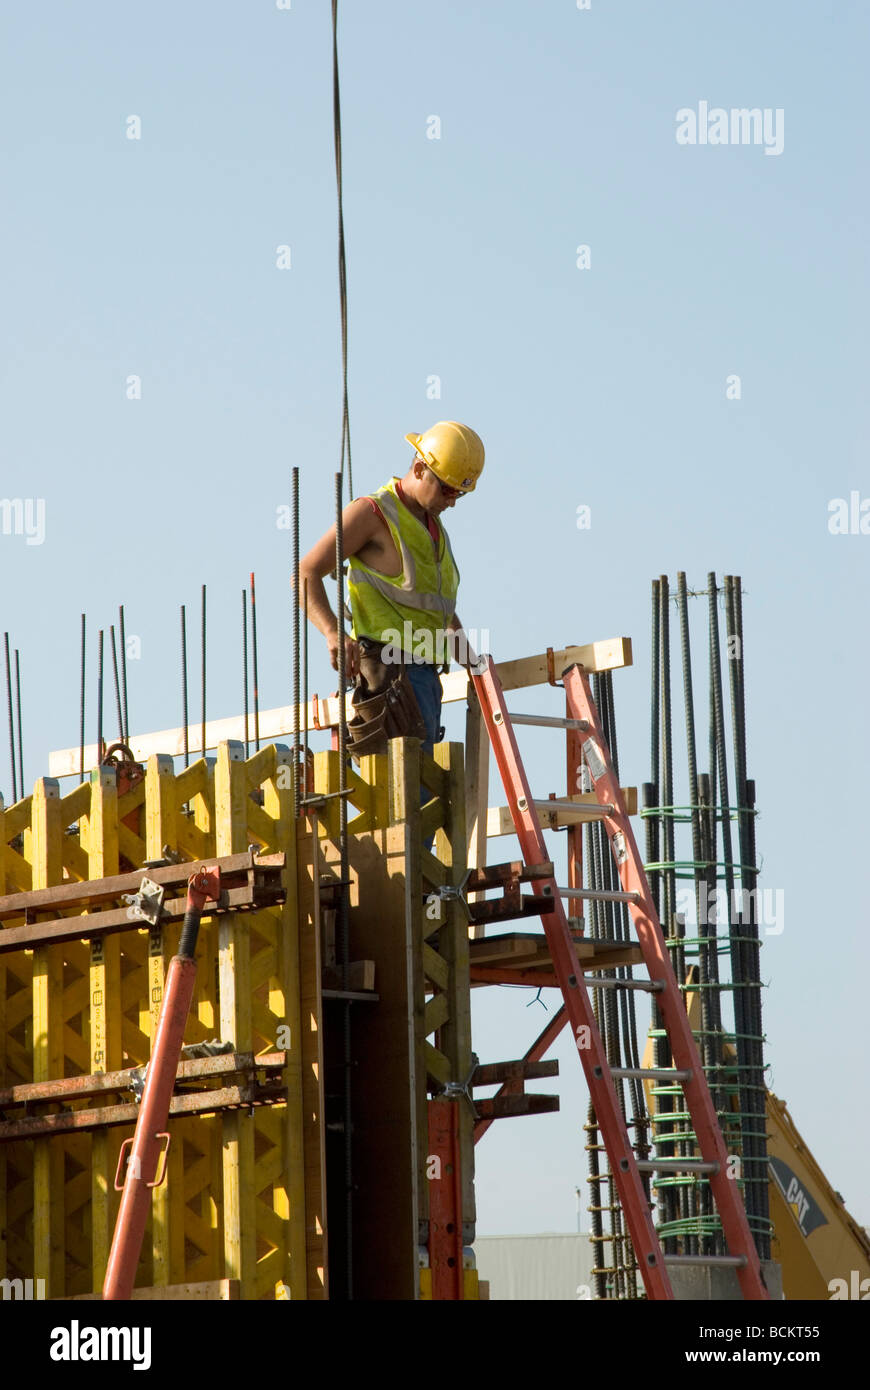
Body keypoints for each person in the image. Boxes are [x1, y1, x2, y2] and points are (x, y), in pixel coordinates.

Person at [297, 420, 485, 761]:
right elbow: (306, 572)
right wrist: (333, 632)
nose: (453, 502)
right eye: (447, 489)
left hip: (424, 679)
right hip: (389, 677)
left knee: (424, 801)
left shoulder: (433, 529)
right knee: (402, 802)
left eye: (460, 493)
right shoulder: (372, 513)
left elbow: (438, 611)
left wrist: (475, 664)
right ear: (418, 468)